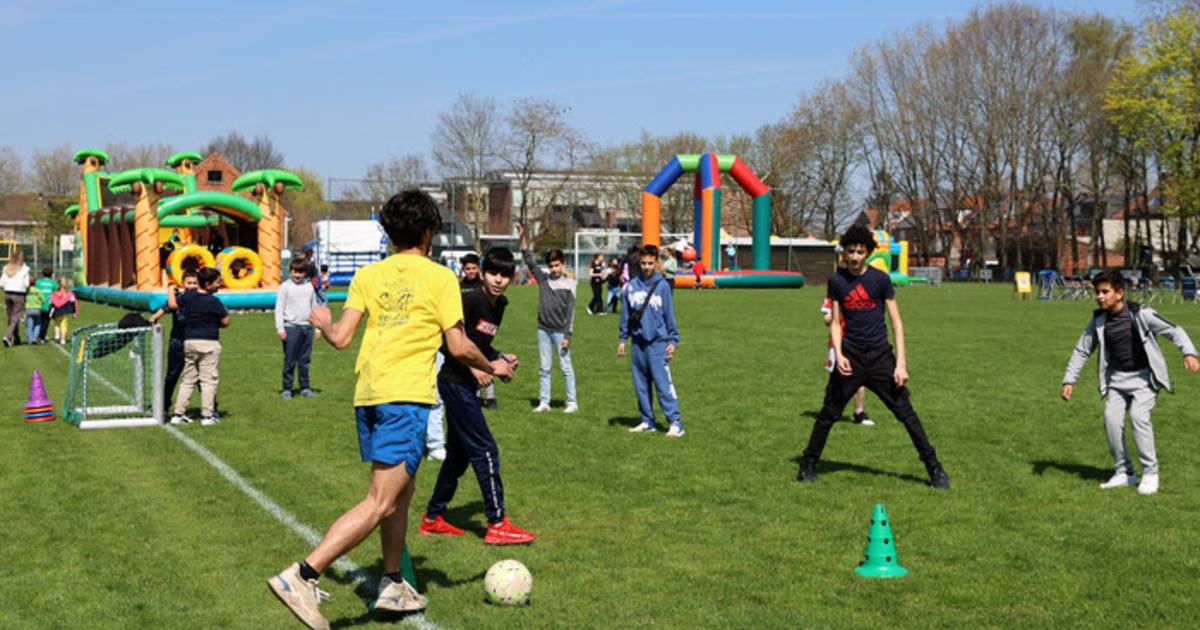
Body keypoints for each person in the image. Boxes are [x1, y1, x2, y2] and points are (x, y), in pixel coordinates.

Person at [267, 190, 513, 628]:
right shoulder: (440, 278)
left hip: (371, 395)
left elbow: (341, 338)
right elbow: (457, 345)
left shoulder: (369, 274)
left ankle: (394, 583)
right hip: (405, 398)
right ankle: (301, 576)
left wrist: (323, 323)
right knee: (381, 500)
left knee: (401, 494)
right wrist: (490, 364)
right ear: (427, 232)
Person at [797, 225, 949, 489]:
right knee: (828, 414)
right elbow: (834, 321)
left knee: (906, 413)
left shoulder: (880, 280)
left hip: (880, 359)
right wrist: (840, 353)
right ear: (844, 253)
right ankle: (807, 464)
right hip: (851, 358)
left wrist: (900, 364)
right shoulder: (837, 281)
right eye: (851, 251)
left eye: (860, 252)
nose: (855, 257)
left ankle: (935, 469)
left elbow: (897, 323)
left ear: (867, 253)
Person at [419, 246, 536, 544]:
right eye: (492, 273)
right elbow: (450, 344)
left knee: (458, 457)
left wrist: (500, 358)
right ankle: (497, 523)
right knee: (486, 449)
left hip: (465, 386)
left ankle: (432, 518)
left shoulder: (501, 305)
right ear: (482, 273)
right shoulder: (469, 300)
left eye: (504, 275)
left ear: (512, 277)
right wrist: (477, 369)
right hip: (454, 383)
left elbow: (479, 345)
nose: (497, 280)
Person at [1061, 270, 1198, 496]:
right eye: (1097, 292)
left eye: (1105, 292)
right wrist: (1069, 380)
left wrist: (1189, 353)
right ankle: (1124, 473)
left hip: (1144, 379)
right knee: (1111, 420)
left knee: (1138, 417)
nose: (1100, 296)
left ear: (1120, 293)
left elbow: (1173, 330)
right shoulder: (1098, 320)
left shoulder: (1141, 313)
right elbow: (1082, 350)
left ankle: (1150, 473)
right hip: (1116, 380)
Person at [619, 244, 684, 437]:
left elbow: (669, 315)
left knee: (663, 384)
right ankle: (647, 421)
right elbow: (625, 315)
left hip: (657, 343)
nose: (646, 267)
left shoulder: (662, 285)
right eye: (643, 263)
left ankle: (675, 422)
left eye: (650, 263)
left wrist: (673, 340)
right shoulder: (631, 286)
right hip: (638, 343)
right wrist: (623, 338)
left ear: (656, 263)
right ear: (638, 262)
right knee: (640, 385)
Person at [519, 224, 578, 413]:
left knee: (565, 367)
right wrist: (523, 237)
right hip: (543, 329)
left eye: (557, 265)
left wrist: (568, 335)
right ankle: (545, 402)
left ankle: (572, 402)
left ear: (563, 264)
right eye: (551, 266)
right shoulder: (544, 280)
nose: (554, 269)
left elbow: (571, 313)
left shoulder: (570, 284)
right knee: (544, 367)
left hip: (561, 332)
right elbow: (529, 260)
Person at [169, 268, 229, 427]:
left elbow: (173, 305)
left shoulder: (189, 296)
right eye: (217, 282)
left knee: (188, 379)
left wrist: (170, 290)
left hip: (189, 342)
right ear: (208, 284)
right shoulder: (214, 301)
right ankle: (207, 416)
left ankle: (178, 413)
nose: (220, 284)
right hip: (208, 343)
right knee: (208, 381)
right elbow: (225, 322)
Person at [149, 271, 199, 412]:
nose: (192, 286)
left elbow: (171, 306)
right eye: (189, 283)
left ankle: (211, 407)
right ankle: (164, 405)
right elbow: (166, 308)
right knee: (172, 374)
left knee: (201, 376)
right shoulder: (177, 297)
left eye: (195, 283)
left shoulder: (200, 298)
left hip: (195, 339)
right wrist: (154, 318)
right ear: (183, 284)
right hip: (178, 341)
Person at [821, 295, 874, 426]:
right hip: (837, 344)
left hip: (858, 343)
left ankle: (859, 413)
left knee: (860, 378)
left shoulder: (861, 292)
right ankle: (830, 410)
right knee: (835, 380)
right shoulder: (834, 294)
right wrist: (839, 310)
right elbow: (827, 320)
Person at [276, 257, 318, 400]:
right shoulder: (285, 287)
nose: (297, 275)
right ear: (290, 271)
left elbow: (314, 307)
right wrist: (280, 329)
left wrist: (317, 327)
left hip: (307, 328)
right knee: (290, 360)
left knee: (305, 360)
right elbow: (279, 309)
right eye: (295, 272)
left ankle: (305, 388)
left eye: (300, 272)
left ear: (305, 273)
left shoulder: (309, 287)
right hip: (291, 328)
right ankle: (287, 389)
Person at [2, 250, 30, 346]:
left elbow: (1, 283)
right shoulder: (24, 269)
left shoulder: (6, 268)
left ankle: (16, 338)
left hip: (7, 294)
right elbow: (27, 284)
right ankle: (7, 336)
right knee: (15, 318)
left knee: (11, 318)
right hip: (18, 295)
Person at [48, 279, 77, 344]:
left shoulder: (54, 294)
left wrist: (50, 312)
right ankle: (62, 339)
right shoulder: (70, 294)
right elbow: (73, 303)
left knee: (57, 324)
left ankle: (57, 334)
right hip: (65, 312)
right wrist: (74, 312)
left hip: (56, 311)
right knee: (63, 325)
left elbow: (50, 303)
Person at [34, 268, 56, 343]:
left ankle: (35, 335)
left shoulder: (38, 282)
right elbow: (55, 294)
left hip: (38, 304)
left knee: (37, 321)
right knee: (45, 322)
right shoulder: (53, 283)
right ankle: (42, 337)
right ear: (51, 275)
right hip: (48, 305)